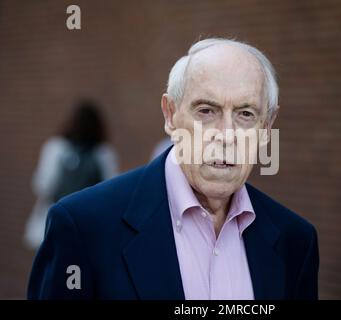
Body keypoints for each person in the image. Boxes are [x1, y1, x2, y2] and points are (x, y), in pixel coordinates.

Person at [28, 38, 319, 299]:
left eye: (245, 114)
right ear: (170, 115)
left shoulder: (296, 242)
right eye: (206, 110)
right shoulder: (83, 227)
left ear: (266, 127)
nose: (226, 134)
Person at [23, 100, 119, 249]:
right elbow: (111, 192)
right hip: (88, 227)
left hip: (54, 223)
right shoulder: (104, 153)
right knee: (79, 270)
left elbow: (42, 186)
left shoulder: (55, 148)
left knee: (53, 269)